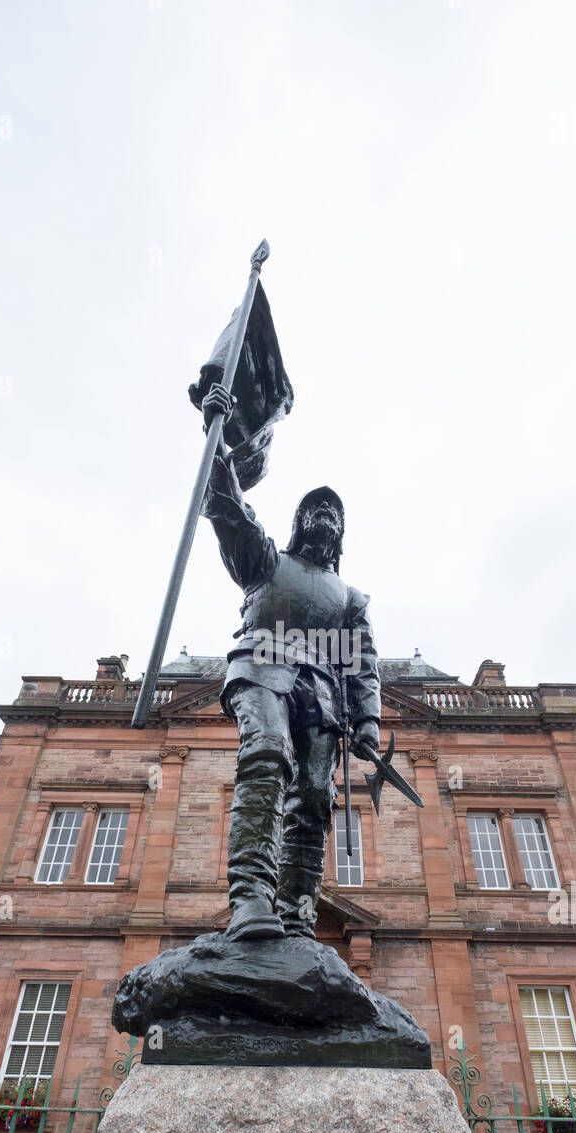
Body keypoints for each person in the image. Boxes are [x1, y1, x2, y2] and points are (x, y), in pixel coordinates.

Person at [201, 382, 381, 942]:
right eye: (315, 508)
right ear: (301, 520)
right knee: (265, 756)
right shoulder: (268, 560)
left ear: (342, 530)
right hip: (261, 665)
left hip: (323, 693)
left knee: (315, 798)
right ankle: (251, 899)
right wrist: (213, 437)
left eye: (333, 512)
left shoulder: (350, 598)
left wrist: (370, 718)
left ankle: (298, 913)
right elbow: (228, 509)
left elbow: (362, 663)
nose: (324, 515)